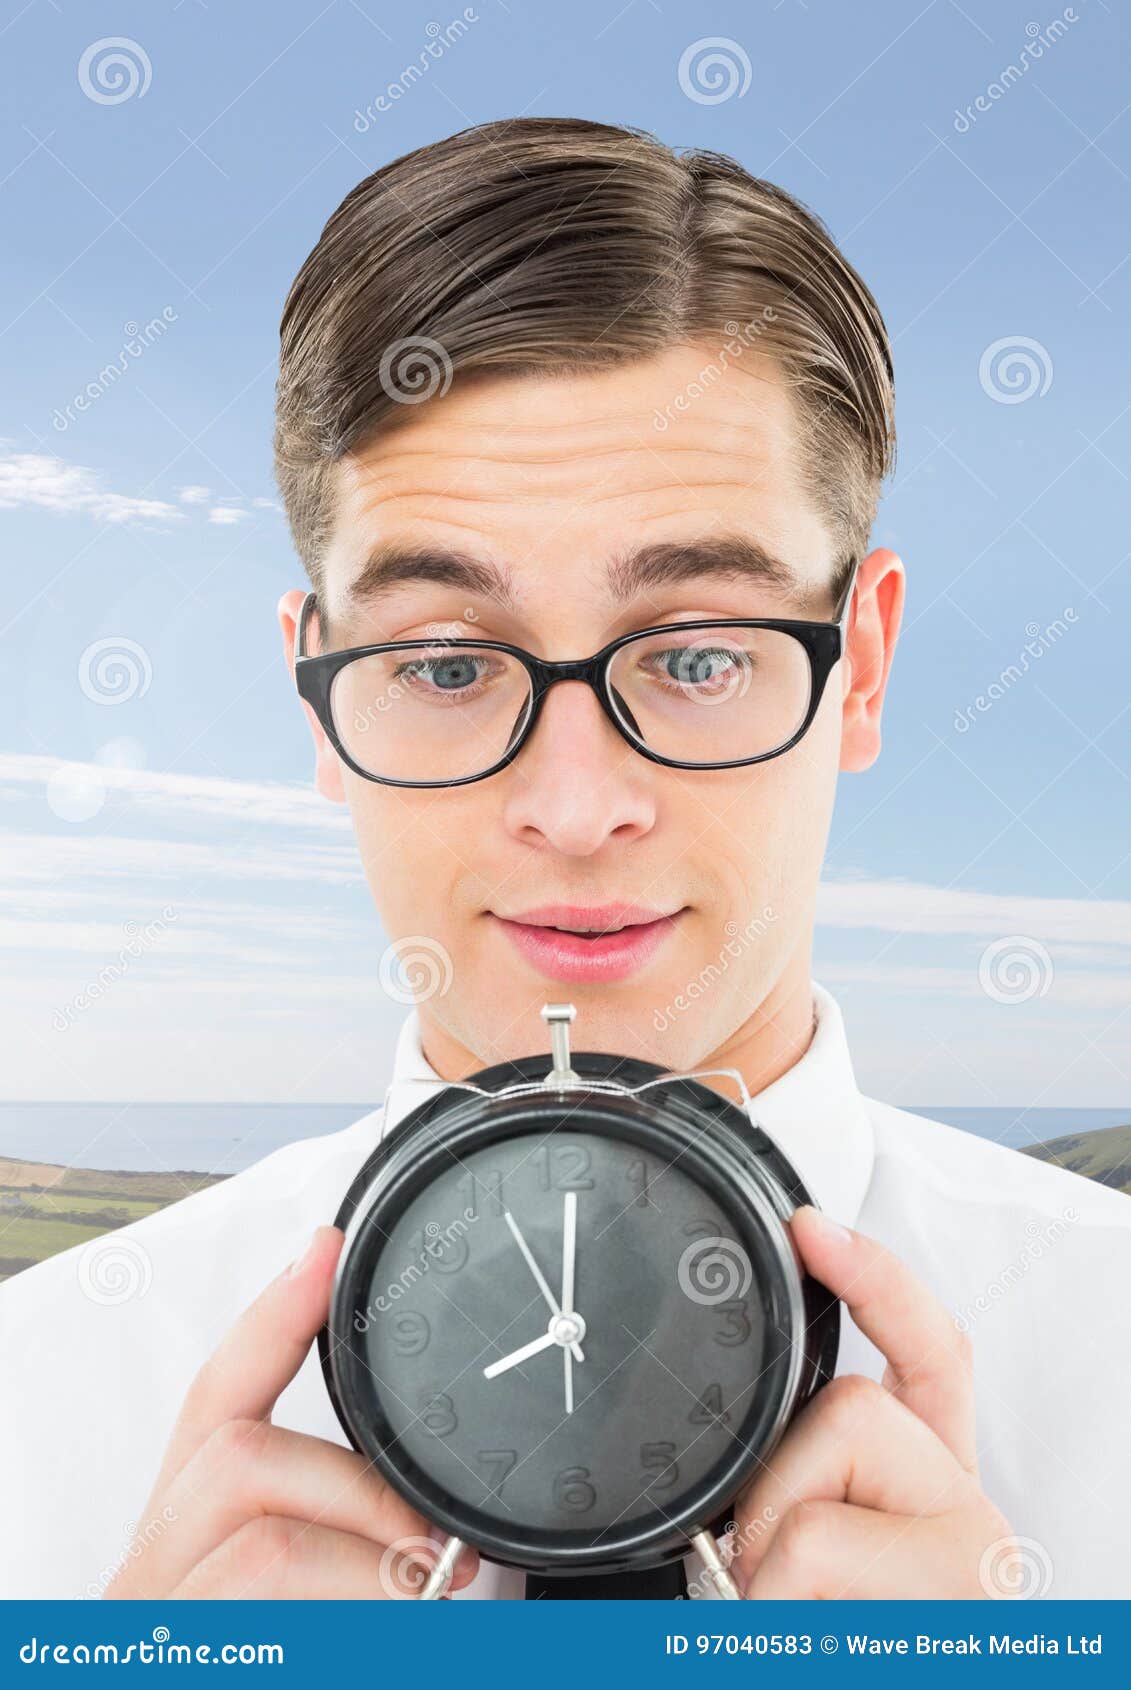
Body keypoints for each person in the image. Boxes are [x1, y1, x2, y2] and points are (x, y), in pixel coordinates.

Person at [2, 117, 1127, 1602]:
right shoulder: (37, 1411)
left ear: (859, 667)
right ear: (318, 701)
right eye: (447, 665)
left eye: (699, 655)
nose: (578, 806)